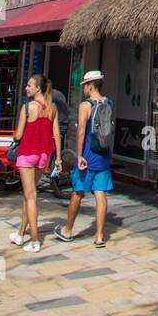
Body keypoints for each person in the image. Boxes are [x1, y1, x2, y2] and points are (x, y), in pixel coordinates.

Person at [54, 70, 113, 248]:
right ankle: (100, 236)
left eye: (85, 86)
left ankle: (67, 230)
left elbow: (80, 132)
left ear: (90, 85)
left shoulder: (85, 105)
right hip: (103, 155)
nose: (84, 89)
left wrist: (79, 155)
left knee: (77, 193)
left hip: (88, 156)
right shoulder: (108, 102)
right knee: (100, 194)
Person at [10, 75, 61, 254]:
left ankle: (34, 239)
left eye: (29, 85)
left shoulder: (28, 107)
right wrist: (59, 158)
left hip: (27, 153)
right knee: (28, 194)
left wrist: (14, 137)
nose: (26, 88)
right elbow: (56, 135)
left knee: (30, 196)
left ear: (38, 88)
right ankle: (20, 234)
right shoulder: (52, 108)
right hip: (43, 155)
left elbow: (18, 135)